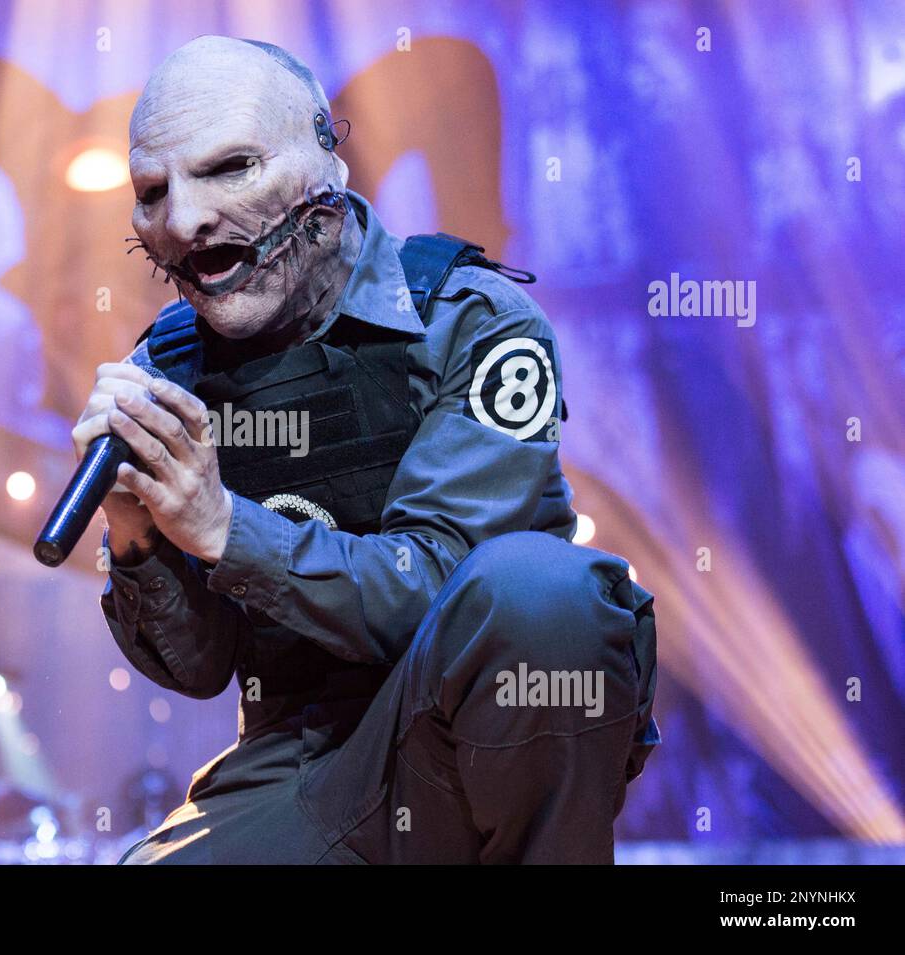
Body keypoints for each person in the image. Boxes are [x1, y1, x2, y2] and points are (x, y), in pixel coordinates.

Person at [73, 35, 659, 863]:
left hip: (473, 739)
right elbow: (199, 669)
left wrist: (222, 526)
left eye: (230, 168)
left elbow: (455, 590)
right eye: (153, 190)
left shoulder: (467, 322)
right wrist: (135, 536)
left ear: (325, 160)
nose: (184, 219)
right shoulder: (170, 368)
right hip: (301, 765)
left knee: (542, 589)